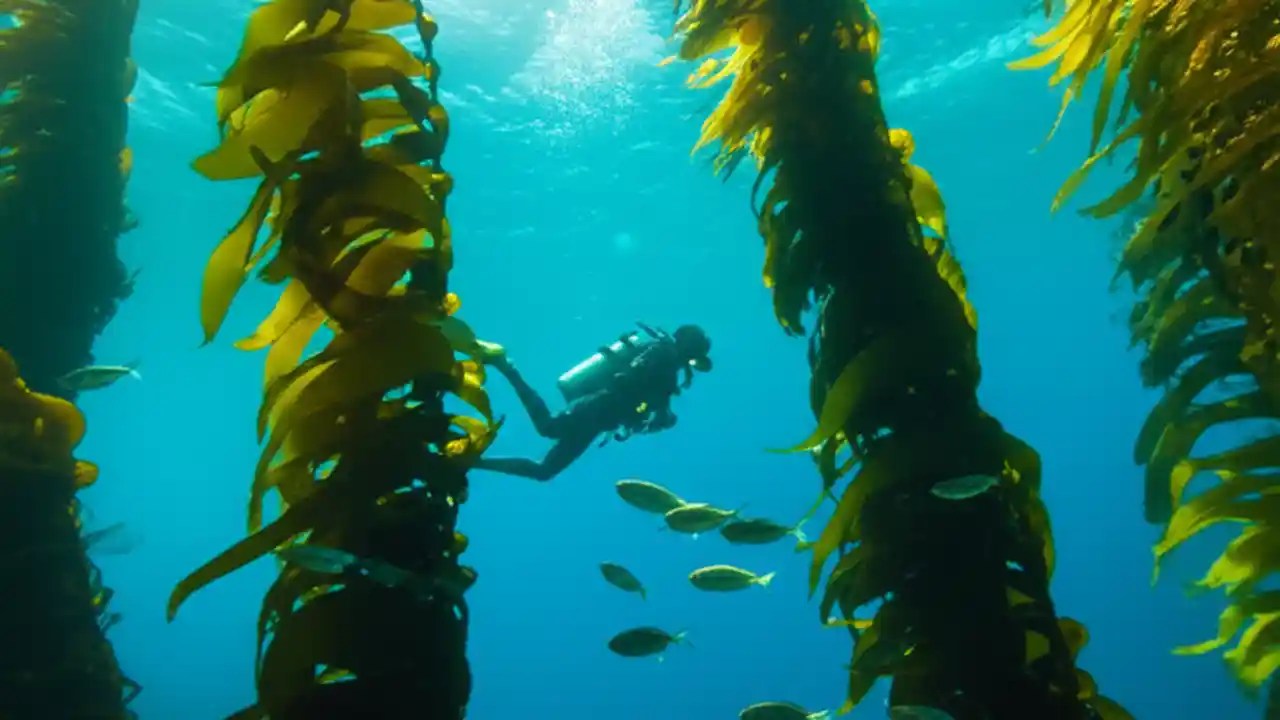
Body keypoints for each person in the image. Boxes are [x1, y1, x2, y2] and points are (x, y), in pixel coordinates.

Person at [472, 322, 713, 482]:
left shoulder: (666, 365)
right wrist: (662, 414)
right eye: (694, 354)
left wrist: (655, 415)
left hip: (601, 420)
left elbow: (650, 405)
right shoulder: (664, 357)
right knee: (547, 428)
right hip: (597, 407)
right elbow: (638, 386)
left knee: (545, 470)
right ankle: (508, 369)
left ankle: (474, 463)